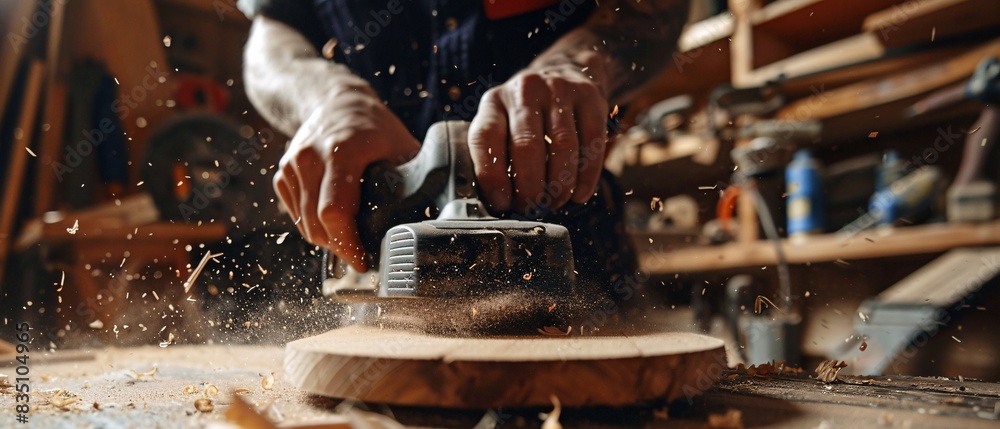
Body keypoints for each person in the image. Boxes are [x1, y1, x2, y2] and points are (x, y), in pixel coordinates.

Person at [240, 0, 688, 282]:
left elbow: (654, 10)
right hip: (378, 260)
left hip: (573, 260)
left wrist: (580, 59)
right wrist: (327, 97)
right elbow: (270, 36)